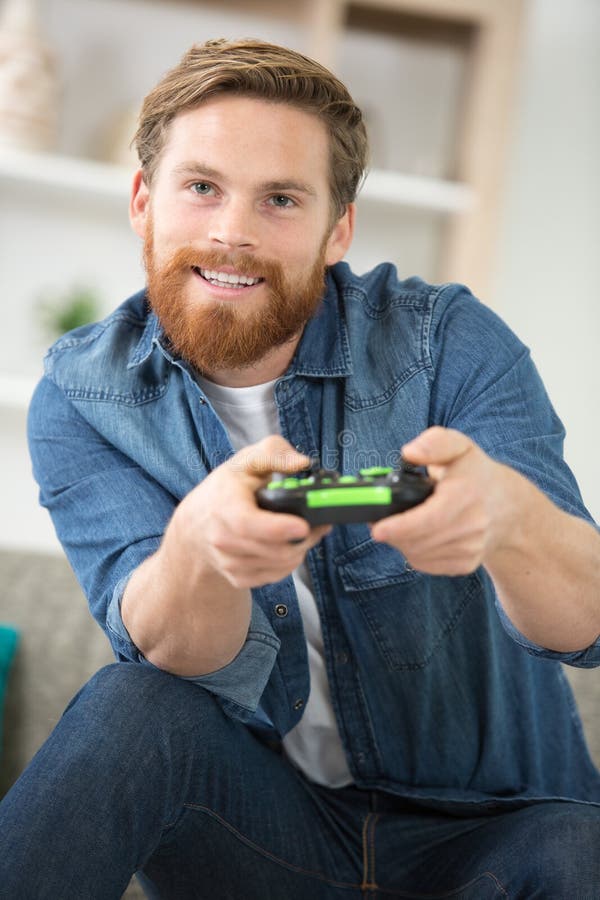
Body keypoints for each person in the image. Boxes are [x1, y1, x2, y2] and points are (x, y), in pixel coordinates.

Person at [1, 37, 599, 900]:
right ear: (143, 200)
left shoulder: (447, 343)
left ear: (337, 228)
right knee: (132, 705)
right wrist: (202, 548)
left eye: (281, 199)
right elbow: (176, 653)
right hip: (266, 841)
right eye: (201, 187)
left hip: (494, 835)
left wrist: (507, 518)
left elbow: (583, 621)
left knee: (585, 849)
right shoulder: (82, 398)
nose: (232, 232)